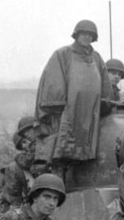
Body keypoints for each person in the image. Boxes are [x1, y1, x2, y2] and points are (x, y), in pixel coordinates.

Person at [34, 19, 113, 177]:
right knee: (61, 151)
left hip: (90, 114)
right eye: (84, 33)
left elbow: (105, 86)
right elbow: (53, 82)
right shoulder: (62, 54)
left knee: (83, 156)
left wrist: (106, 102)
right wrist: (59, 106)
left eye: (90, 35)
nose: (87, 37)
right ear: (77, 35)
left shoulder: (97, 58)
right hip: (66, 113)